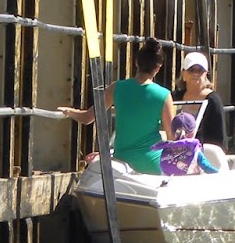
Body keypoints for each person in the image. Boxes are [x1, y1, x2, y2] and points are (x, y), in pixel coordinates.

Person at [60, 36, 174, 174]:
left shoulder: (116, 88)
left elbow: (87, 118)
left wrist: (69, 111)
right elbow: (172, 137)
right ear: (158, 67)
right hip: (153, 164)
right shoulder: (164, 95)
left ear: (136, 62)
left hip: (122, 163)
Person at [176, 50, 228, 148]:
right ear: (183, 73)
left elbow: (220, 137)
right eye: (191, 70)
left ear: (205, 74)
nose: (195, 74)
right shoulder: (175, 97)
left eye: (200, 70)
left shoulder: (213, 100)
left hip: (204, 152)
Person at [152, 110, 221, 175]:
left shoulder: (166, 150)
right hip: (191, 183)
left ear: (173, 132)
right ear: (193, 132)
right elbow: (207, 167)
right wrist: (221, 174)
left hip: (172, 183)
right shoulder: (195, 150)